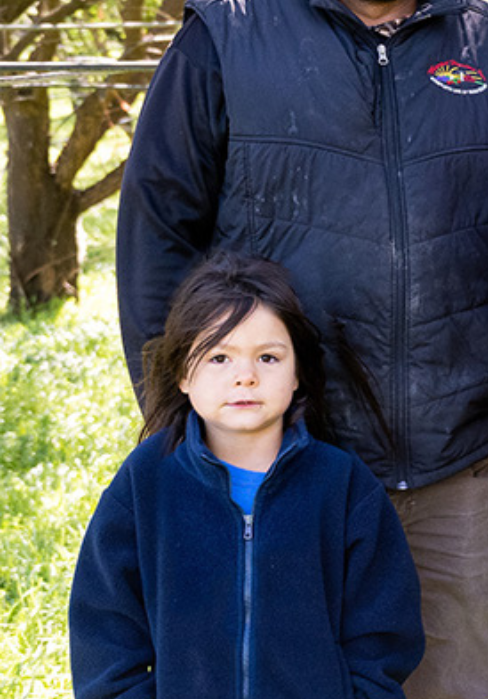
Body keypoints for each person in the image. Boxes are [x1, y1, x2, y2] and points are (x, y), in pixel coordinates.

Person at [114, 0, 488, 699]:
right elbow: (156, 236)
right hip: (278, 460)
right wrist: (179, 421)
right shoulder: (227, 35)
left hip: (455, 467)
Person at [71, 251, 425, 699]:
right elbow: (104, 627)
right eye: (219, 358)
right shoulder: (145, 484)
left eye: (269, 358)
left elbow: (384, 635)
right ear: (183, 372)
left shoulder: (343, 486)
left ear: (298, 372)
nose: (246, 377)